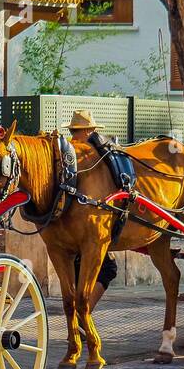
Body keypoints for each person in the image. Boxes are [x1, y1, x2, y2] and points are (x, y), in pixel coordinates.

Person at [66, 110, 120, 293]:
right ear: (89, 130)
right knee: (108, 269)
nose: (74, 136)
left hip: (73, 231)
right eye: (73, 131)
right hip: (87, 232)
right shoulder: (92, 157)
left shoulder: (69, 154)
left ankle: (82, 312)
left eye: (75, 131)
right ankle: (85, 312)